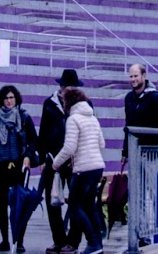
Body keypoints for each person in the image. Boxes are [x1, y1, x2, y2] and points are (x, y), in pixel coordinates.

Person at [50, 86, 106, 254]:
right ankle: (98, 244)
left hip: (83, 169)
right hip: (97, 166)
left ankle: (93, 242)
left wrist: (56, 164)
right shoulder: (92, 117)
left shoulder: (73, 119)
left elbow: (69, 147)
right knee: (89, 206)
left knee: (74, 206)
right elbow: (102, 143)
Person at [120, 63, 158, 239]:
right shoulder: (128, 98)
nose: (133, 80)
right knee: (136, 195)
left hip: (152, 154)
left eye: (136, 76)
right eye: (131, 76)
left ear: (144, 76)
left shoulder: (155, 97)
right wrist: (125, 152)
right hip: (134, 154)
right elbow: (128, 127)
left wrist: (155, 149)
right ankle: (141, 235)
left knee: (155, 194)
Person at [0, 85, 37, 253]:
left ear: (16, 99)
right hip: (0, 164)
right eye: (6, 98)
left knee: (19, 203)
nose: (8, 101)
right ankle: (4, 240)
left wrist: (28, 155)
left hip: (18, 165)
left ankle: (19, 240)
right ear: (2, 100)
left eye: (11, 98)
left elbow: (33, 140)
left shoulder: (24, 117)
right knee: (2, 203)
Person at [38, 70, 81, 254]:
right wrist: (42, 158)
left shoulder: (83, 104)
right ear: (61, 87)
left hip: (74, 159)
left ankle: (73, 241)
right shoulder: (49, 103)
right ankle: (58, 239)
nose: (69, 90)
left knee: (76, 201)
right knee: (52, 201)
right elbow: (43, 132)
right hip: (53, 158)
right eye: (67, 87)